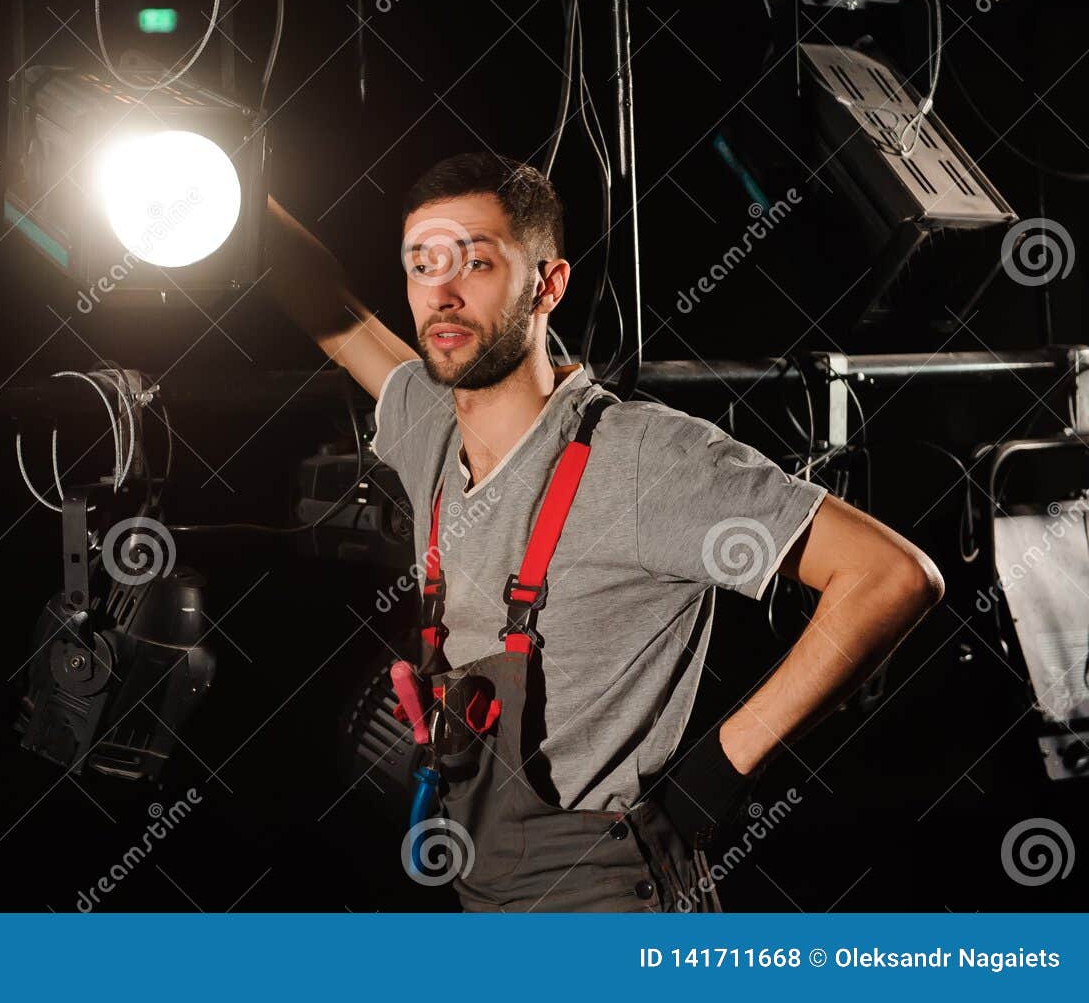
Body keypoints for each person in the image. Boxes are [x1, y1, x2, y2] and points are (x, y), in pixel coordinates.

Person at [262, 152, 944, 912]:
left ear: (548, 285)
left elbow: (890, 575)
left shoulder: (643, 457)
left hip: (610, 904)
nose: (443, 293)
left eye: (477, 262)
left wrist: (709, 780)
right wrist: (227, 168)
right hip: (489, 896)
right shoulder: (428, 424)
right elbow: (331, 308)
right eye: (422, 264)